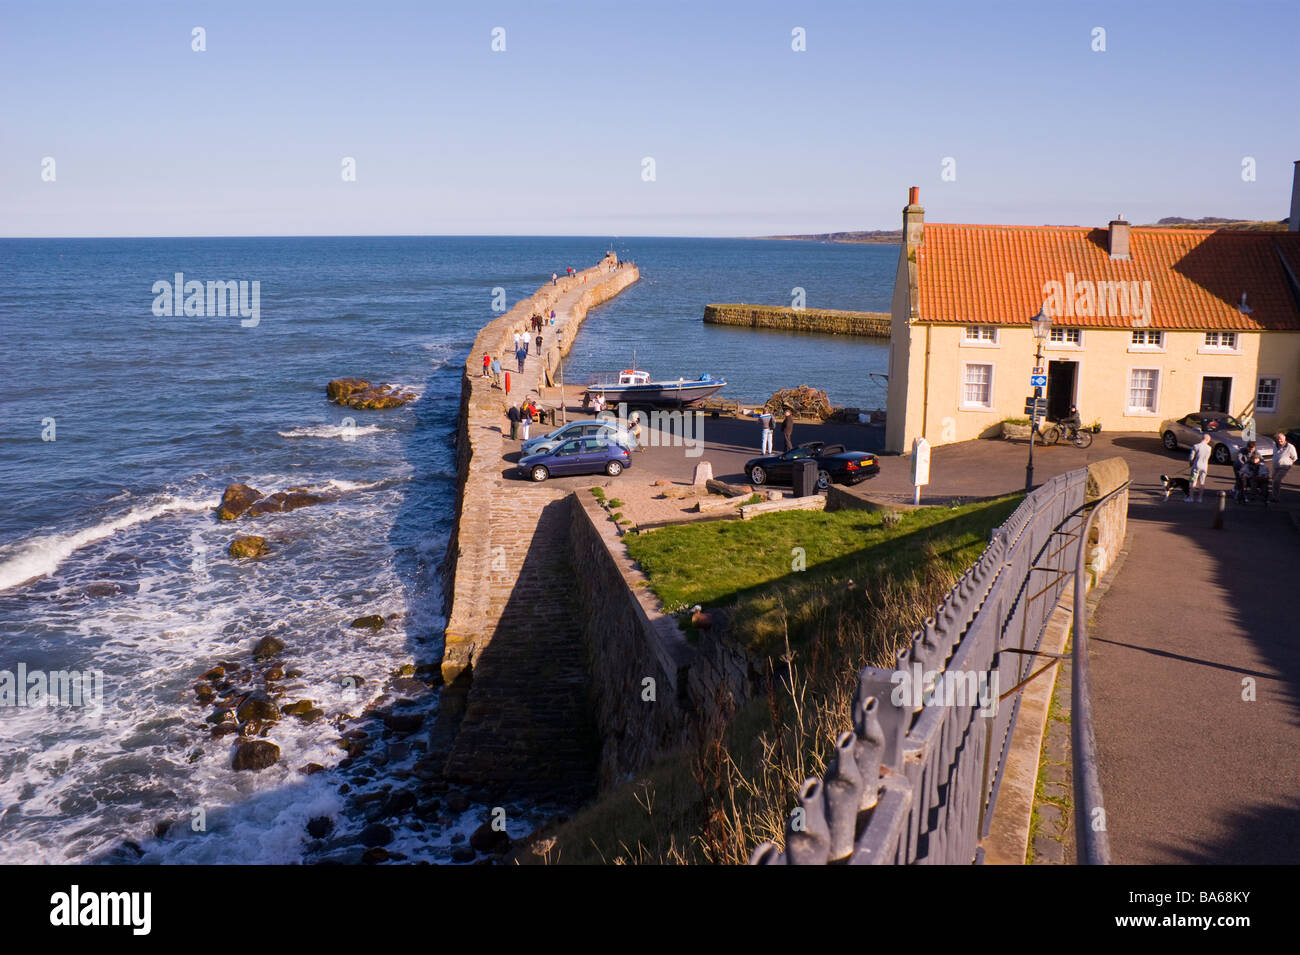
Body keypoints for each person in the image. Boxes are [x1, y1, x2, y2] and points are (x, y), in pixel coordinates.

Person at [1188, 433, 1212, 502]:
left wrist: (1191, 463)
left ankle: (1191, 498)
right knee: (1202, 482)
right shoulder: (1209, 448)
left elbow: (1191, 457)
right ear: (1207, 440)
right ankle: (1200, 498)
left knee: (1192, 481)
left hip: (1196, 466)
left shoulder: (1196, 446)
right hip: (1204, 467)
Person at [1272, 432, 1296, 501]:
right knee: (1274, 481)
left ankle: (1275, 497)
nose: (1279, 440)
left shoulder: (1290, 447)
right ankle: (1274, 496)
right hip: (1275, 466)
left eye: (1281, 439)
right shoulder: (1275, 445)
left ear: (1284, 439)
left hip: (1284, 467)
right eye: (1278, 439)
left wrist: (1289, 464)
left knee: (1276, 480)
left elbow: (1294, 457)